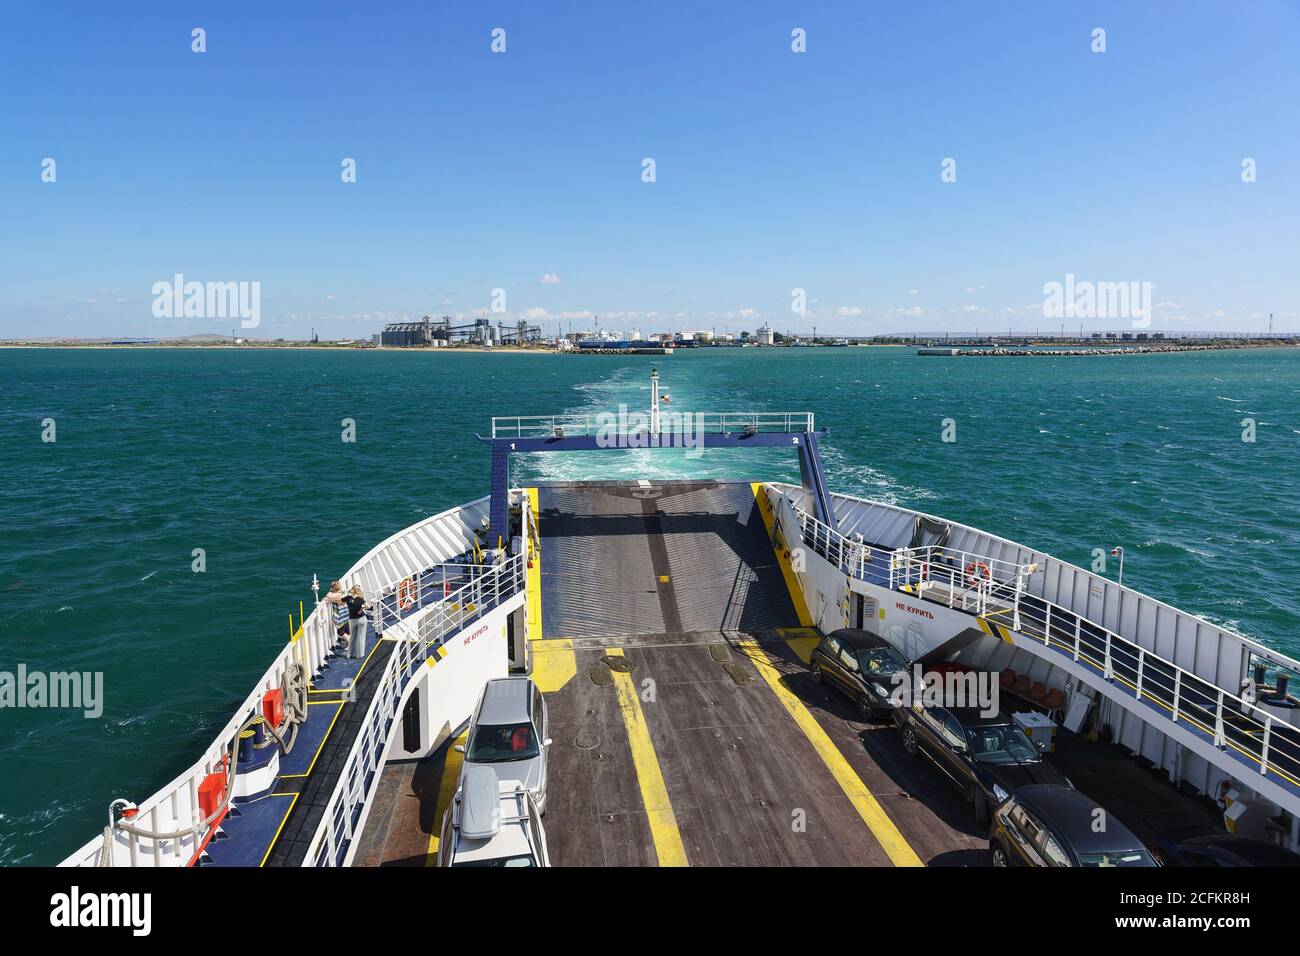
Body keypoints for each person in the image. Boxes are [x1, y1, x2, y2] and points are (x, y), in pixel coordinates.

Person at [344, 585, 371, 660]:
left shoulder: (348, 598)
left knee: (352, 637)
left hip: (352, 620)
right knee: (361, 637)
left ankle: (349, 655)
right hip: (361, 619)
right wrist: (361, 609)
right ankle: (359, 655)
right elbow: (368, 606)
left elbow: (341, 600)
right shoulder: (360, 599)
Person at [324, 581, 349, 653]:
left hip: (341, 616)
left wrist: (330, 592)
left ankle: (350, 643)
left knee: (340, 632)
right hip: (346, 614)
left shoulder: (338, 595)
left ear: (334, 588)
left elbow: (328, 596)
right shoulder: (343, 592)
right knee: (346, 630)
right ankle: (347, 644)